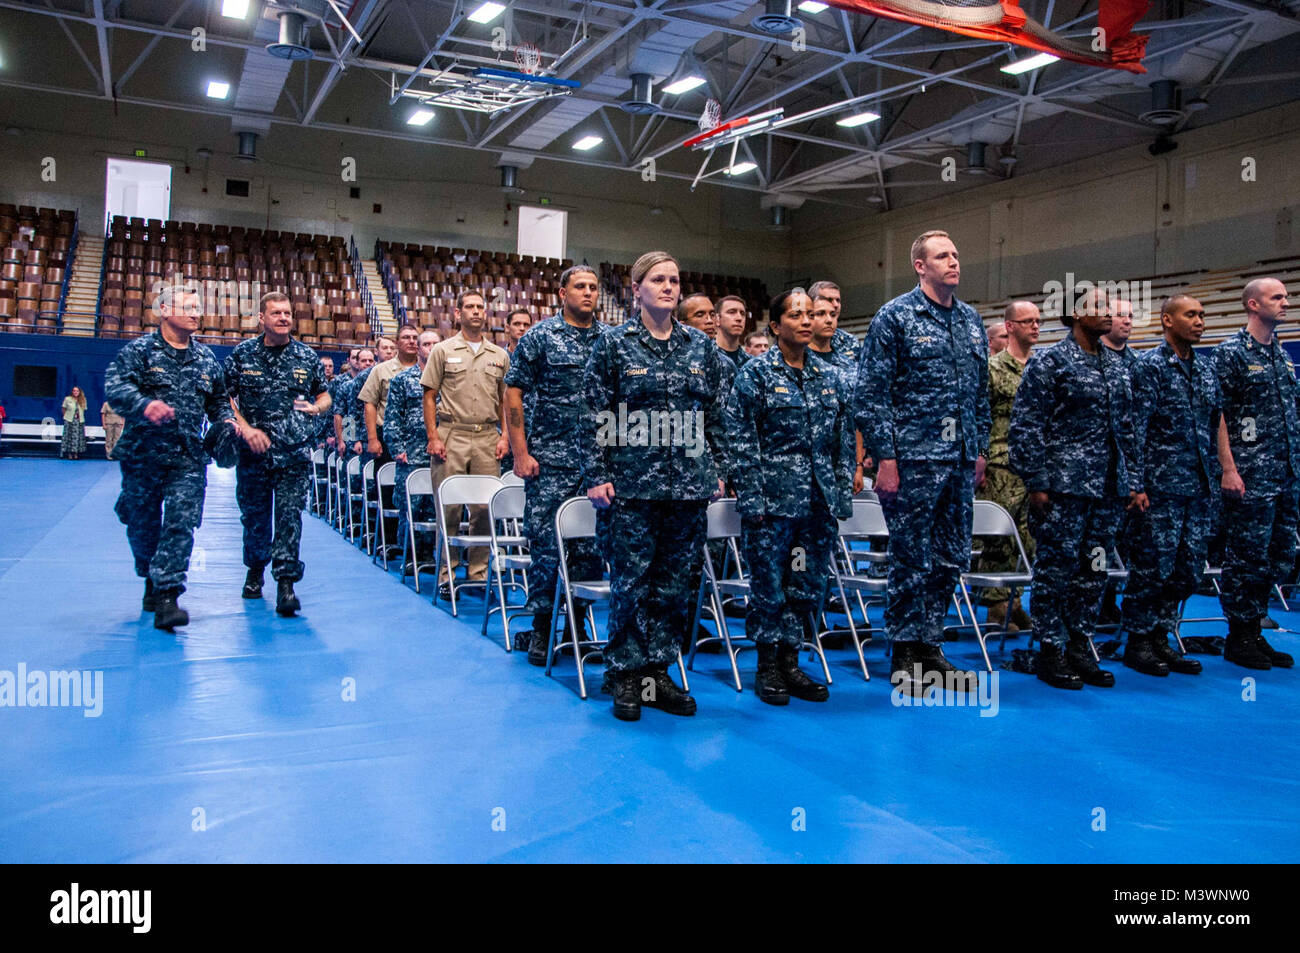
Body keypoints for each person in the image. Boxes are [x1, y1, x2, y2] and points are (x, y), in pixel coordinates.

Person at [582, 250, 728, 721]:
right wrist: (597, 473)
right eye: (658, 280)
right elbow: (592, 412)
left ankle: (656, 674)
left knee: (674, 586)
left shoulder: (700, 348)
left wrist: (718, 468)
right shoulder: (613, 345)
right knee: (632, 582)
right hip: (631, 488)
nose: (669, 287)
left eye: (674, 280)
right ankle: (625, 673)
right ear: (637, 288)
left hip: (687, 488)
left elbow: (719, 417)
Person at [854, 230, 989, 695]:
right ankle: (905, 653)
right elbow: (871, 395)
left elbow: (979, 396)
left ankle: (931, 646)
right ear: (920, 266)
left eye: (955, 254)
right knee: (912, 558)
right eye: (941, 256)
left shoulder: (971, 321)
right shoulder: (895, 317)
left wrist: (980, 450)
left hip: (958, 462)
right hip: (912, 461)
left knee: (950, 557)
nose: (953, 262)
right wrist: (885, 459)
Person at [1009, 287, 1146, 690]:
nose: (1107, 313)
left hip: (1107, 490)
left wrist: (1132, 481)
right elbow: (1027, 424)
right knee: (1057, 568)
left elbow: (1128, 430)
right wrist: (1036, 480)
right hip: (1063, 489)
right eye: (1097, 306)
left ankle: (1080, 643)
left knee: (1094, 567)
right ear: (1073, 313)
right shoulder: (1052, 363)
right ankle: (1050, 648)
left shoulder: (1118, 366)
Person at [726, 288, 853, 704]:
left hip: (817, 503)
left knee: (807, 585)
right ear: (776, 326)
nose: (804, 320)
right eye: (794, 315)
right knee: (770, 585)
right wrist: (752, 498)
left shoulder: (829, 375)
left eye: (809, 314)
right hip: (773, 502)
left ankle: (792, 661)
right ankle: (767, 665)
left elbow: (841, 441)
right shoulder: (756, 374)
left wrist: (840, 492)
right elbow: (741, 438)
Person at [105, 281, 238, 630]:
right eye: (188, 307)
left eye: (198, 308)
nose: (197, 313)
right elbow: (115, 388)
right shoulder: (140, 352)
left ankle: (167, 595)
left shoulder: (207, 358)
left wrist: (225, 421)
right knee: (141, 522)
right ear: (164, 310)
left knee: (181, 522)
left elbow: (219, 399)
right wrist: (144, 405)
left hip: (187, 456)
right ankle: (149, 573)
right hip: (142, 454)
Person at [503, 265, 609, 664]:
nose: (588, 293)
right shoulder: (540, 337)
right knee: (547, 547)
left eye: (594, 288)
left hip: (595, 464)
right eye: (580, 287)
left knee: (589, 548)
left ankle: (577, 626)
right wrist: (520, 451)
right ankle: (543, 624)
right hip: (550, 461)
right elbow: (514, 394)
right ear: (562, 292)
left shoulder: (610, 341)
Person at [1120, 294, 1217, 677]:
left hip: (1197, 486)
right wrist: (1135, 483)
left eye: (1202, 315)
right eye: (1190, 314)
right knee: (1152, 567)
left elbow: (1214, 424)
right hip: (1158, 487)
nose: (1199, 321)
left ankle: (1162, 633)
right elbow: (1134, 429)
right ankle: (1139, 640)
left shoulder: (1205, 370)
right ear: (1167, 320)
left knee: (1189, 568)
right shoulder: (1150, 368)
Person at [225, 291, 330, 616]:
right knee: (255, 518)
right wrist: (245, 428)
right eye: (276, 313)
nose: (283, 318)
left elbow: (324, 393)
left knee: (289, 518)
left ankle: (286, 583)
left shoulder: (306, 356)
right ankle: (255, 572)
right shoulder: (242, 355)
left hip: (294, 453)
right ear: (262, 318)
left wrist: (317, 407)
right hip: (254, 454)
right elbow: (225, 398)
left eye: (287, 313)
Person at [1213, 277, 1298, 670]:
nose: (1286, 301)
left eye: (1286, 295)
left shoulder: (1280, 354)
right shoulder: (1231, 353)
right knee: (1246, 556)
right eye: (1276, 297)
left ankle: (1255, 629)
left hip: (1284, 473)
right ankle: (1239, 635)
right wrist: (1228, 467)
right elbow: (1219, 415)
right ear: (1252, 304)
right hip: (1250, 475)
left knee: (1278, 554)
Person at [421, 290, 511, 592]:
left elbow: (504, 400)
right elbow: (430, 395)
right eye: (469, 307)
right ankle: (447, 574)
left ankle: (478, 573)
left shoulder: (499, 356)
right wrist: (433, 436)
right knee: (449, 508)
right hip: (451, 434)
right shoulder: (443, 351)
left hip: (487, 436)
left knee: (485, 507)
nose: (476, 311)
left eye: (480, 307)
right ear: (458, 313)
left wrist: (505, 436)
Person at [977, 301, 1040, 632]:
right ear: (1010, 326)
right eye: (1027, 321)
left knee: (1028, 539)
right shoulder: (992, 369)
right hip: (1000, 461)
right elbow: (979, 415)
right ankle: (997, 606)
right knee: (999, 537)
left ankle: (1015, 600)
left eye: (1037, 321)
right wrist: (980, 457)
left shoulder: (1043, 367)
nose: (1035, 326)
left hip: (1035, 465)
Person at [386, 330, 440, 573]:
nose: (431, 348)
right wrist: (397, 448)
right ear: (418, 349)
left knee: (433, 508)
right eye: (426, 344)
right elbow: (392, 418)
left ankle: (428, 556)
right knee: (411, 508)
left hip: (440, 454)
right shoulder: (403, 380)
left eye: (435, 344)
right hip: (412, 454)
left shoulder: (449, 379)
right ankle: (410, 555)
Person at [359, 323, 420, 467]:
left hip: (420, 439)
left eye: (415, 338)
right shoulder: (380, 370)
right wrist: (373, 439)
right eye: (406, 337)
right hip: (388, 438)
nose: (411, 341)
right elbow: (370, 404)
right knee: (386, 485)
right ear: (397, 343)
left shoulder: (429, 368)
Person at [334, 348, 375, 457]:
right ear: (356, 363)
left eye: (370, 361)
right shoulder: (347, 386)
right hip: (353, 438)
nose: (367, 364)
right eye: (363, 361)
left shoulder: (376, 384)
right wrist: (347, 441)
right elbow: (344, 415)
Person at [716, 295, 750, 368]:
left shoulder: (751, 362)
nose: (739, 318)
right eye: (732, 312)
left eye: (742, 314)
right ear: (717, 319)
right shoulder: (706, 356)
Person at [60, 387, 87, 459]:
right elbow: (63, 408)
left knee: (77, 437)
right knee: (68, 437)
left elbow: (84, 409)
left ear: (79, 392)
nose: (75, 392)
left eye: (77, 391)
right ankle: (69, 453)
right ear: (72, 392)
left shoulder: (83, 400)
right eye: (74, 391)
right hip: (69, 420)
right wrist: (66, 417)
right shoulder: (67, 399)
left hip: (79, 421)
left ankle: (76, 453)